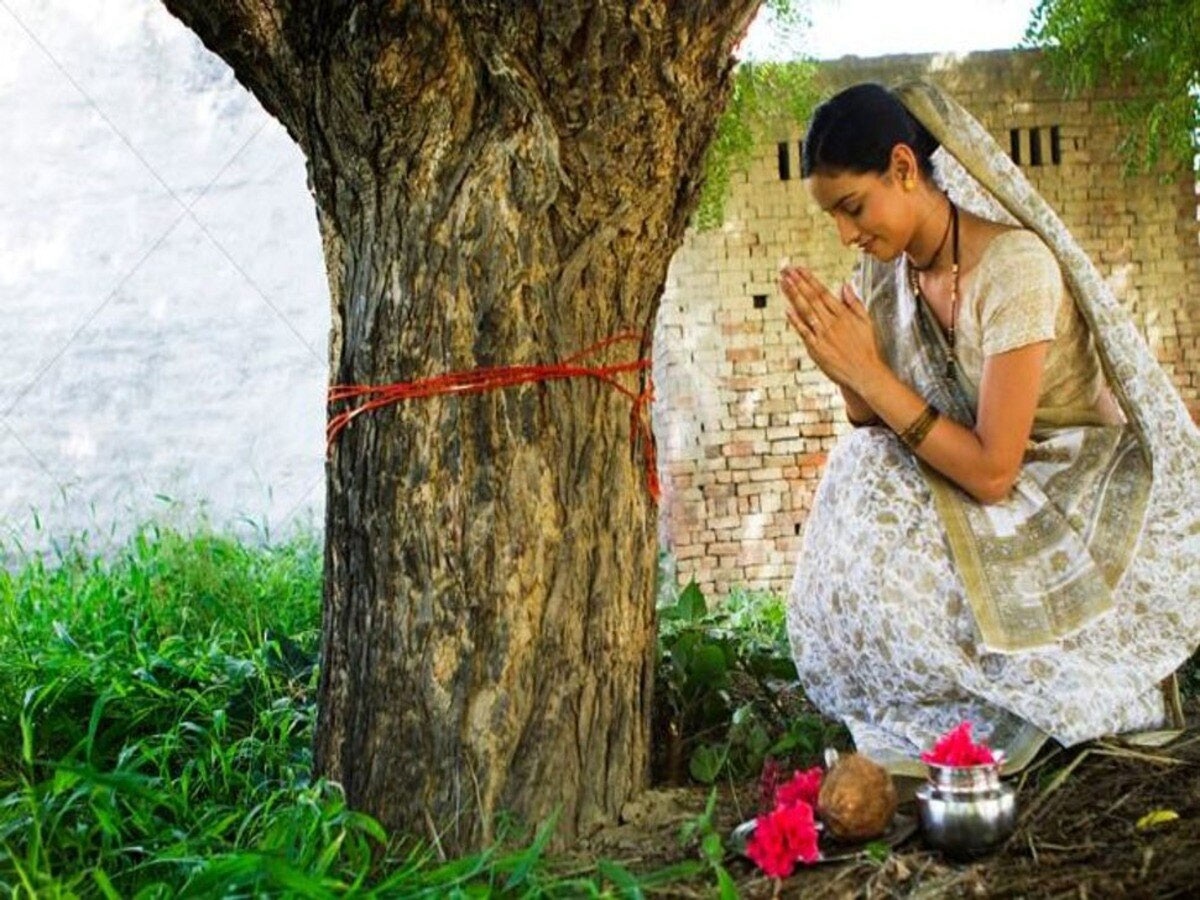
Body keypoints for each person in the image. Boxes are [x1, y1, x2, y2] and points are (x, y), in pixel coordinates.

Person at [779, 81, 1200, 775]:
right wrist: (841, 362)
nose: (846, 234)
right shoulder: (891, 273)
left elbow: (996, 472)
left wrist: (872, 374)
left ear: (905, 169)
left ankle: (1060, 700)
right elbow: (871, 419)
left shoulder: (1015, 269)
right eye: (834, 218)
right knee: (858, 466)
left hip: (1061, 482)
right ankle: (927, 716)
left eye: (852, 208)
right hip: (972, 469)